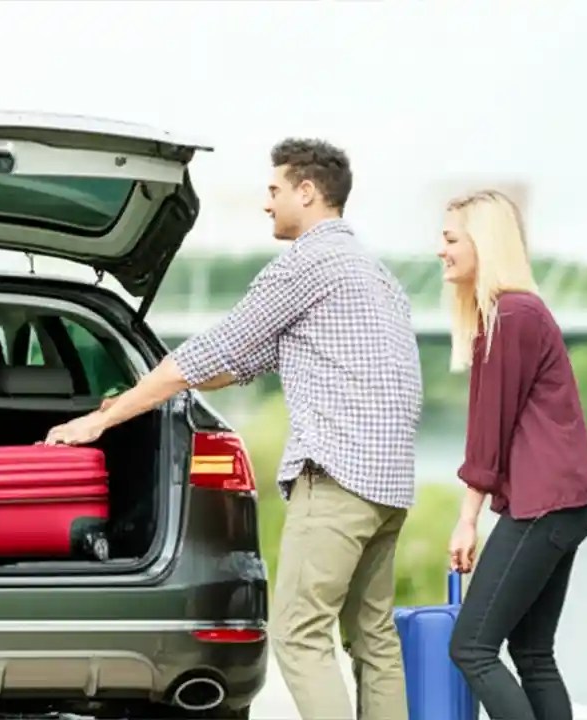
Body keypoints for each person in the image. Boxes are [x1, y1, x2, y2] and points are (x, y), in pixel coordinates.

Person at [44, 138, 423, 720]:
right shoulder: (374, 275)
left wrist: (102, 420)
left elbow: (206, 350)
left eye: (274, 191)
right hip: (388, 486)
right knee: (374, 639)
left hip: (338, 480)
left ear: (307, 191)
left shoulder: (307, 264)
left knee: (300, 637)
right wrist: (137, 396)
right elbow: (238, 362)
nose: (266, 204)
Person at [439, 190, 587, 720]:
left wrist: (467, 522)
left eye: (450, 240)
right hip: (564, 501)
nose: (441, 251)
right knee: (532, 653)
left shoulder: (510, 315)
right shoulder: (517, 312)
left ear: (481, 243)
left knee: (471, 647)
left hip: (545, 503)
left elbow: (489, 430)